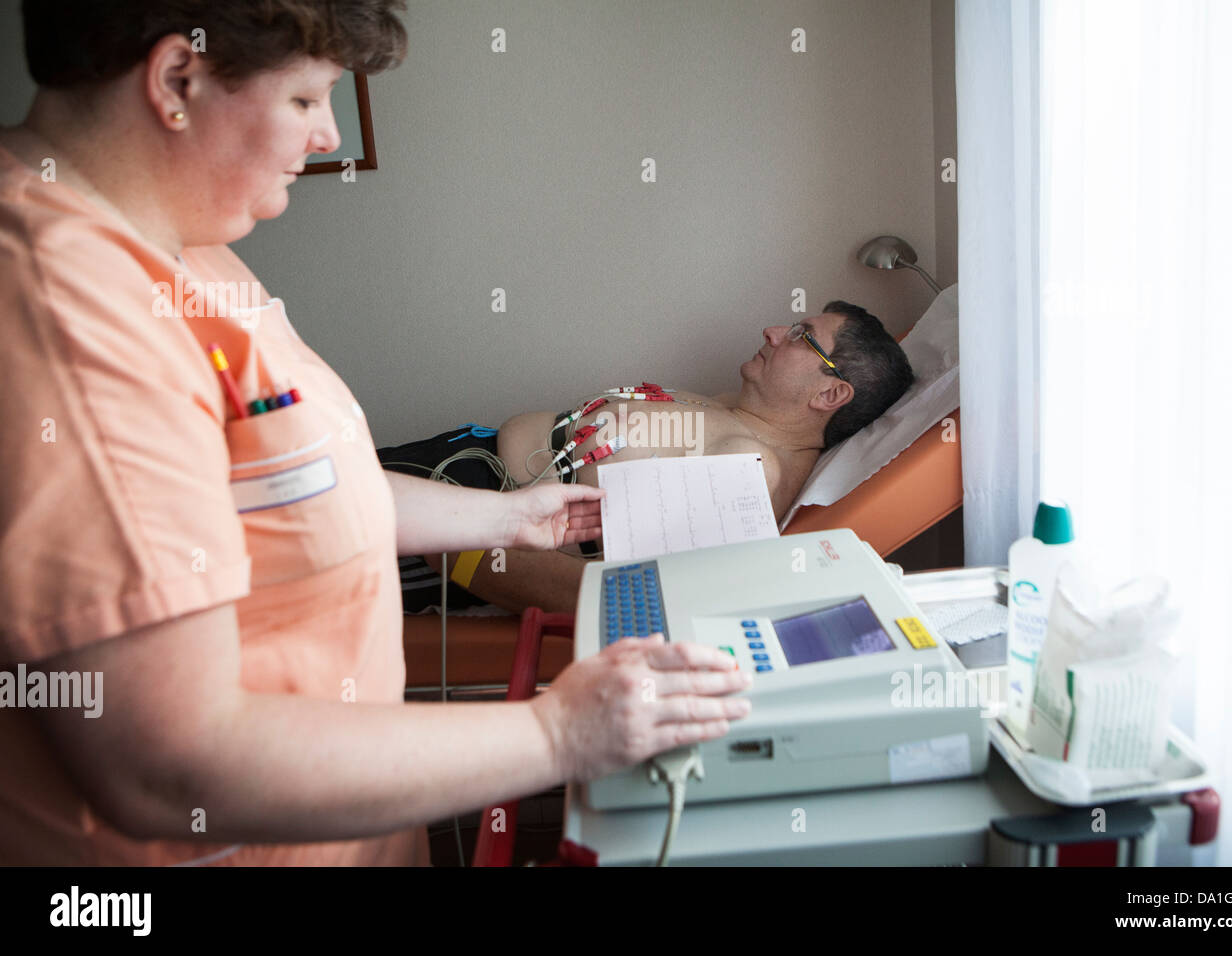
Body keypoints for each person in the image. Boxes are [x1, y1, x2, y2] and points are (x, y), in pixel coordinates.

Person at [0, 0, 751, 866]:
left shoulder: (177, 241)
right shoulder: (69, 313)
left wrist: (504, 521)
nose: (325, 136)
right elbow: (169, 766)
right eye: (307, 100)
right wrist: (559, 734)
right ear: (178, 80)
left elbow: (291, 482)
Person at [381, 302, 914, 614]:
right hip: (456, 463)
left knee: (305, 543)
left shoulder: (753, 468)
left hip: (460, 512)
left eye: (802, 336)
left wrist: (461, 547)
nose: (773, 332)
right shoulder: (740, 417)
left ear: (829, 395)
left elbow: (626, 591)